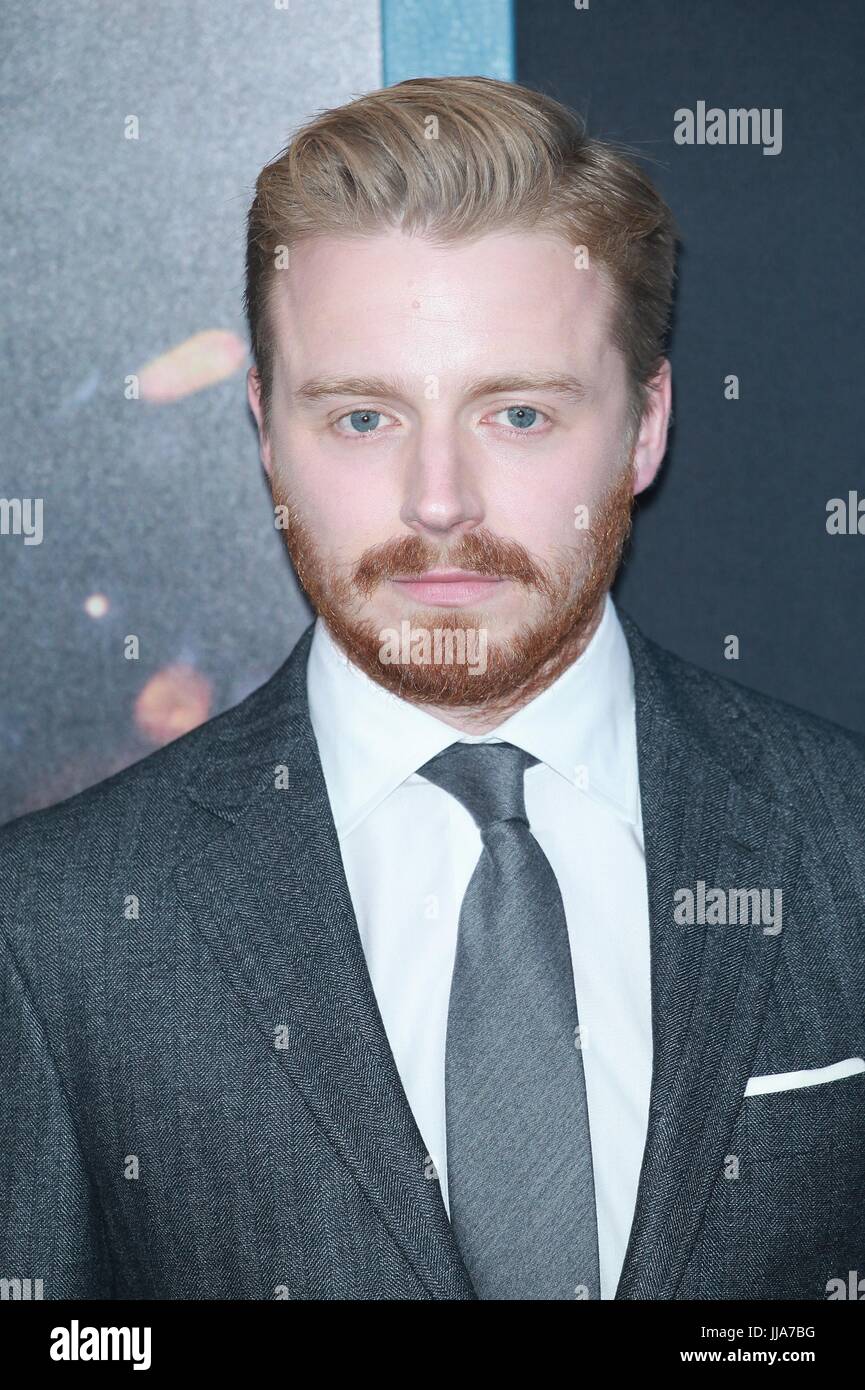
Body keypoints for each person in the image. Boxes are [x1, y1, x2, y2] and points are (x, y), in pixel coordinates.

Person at [1, 76, 863, 1302]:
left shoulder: (845, 849)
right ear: (263, 430)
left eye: (517, 412)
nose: (438, 499)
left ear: (647, 426)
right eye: (362, 418)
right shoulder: (52, 929)